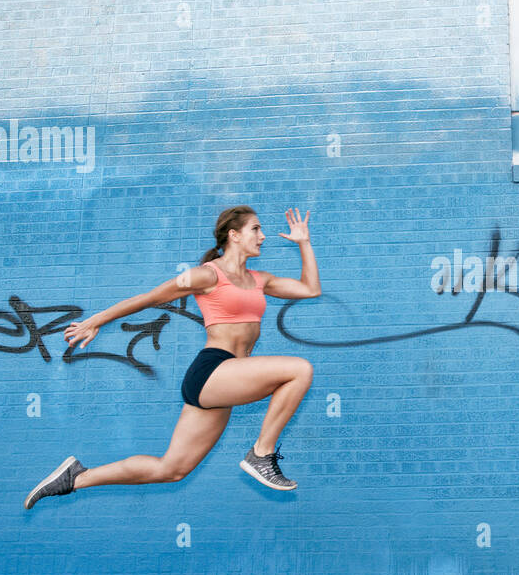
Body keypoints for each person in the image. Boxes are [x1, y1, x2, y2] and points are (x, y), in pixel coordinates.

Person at [24, 205, 320, 509]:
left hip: (226, 382)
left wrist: (304, 242)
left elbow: (310, 289)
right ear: (234, 235)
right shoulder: (207, 275)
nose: (263, 236)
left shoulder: (261, 280)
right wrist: (96, 320)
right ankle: (261, 454)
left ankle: (76, 477)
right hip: (213, 370)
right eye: (256, 229)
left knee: (172, 469)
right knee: (299, 369)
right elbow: (149, 299)